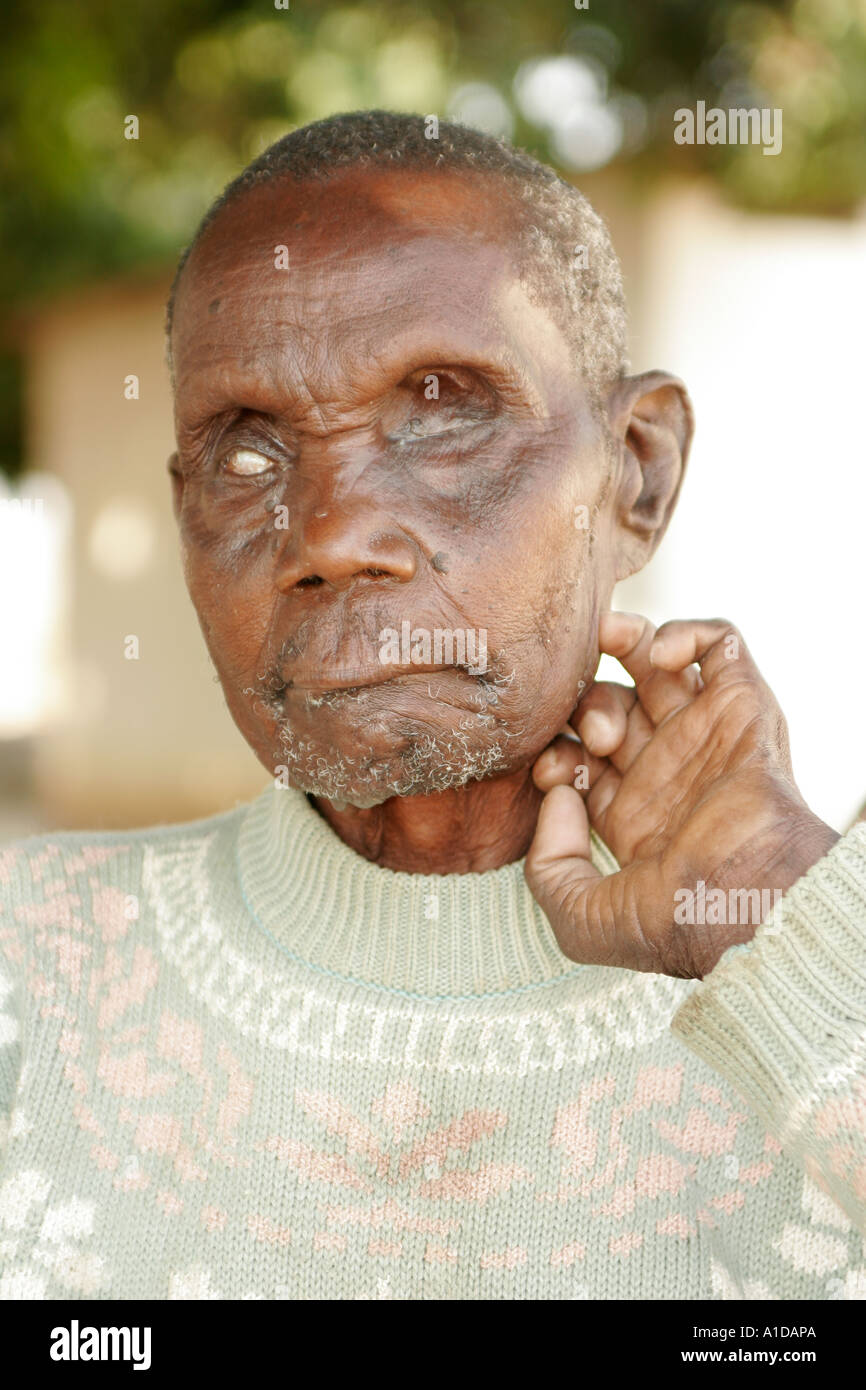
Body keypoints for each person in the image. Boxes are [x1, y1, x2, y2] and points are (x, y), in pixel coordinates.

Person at [1, 111, 864, 1301]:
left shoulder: (818, 964)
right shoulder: (29, 968)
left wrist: (779, 918)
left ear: (637, 473)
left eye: (443, 404)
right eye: (247, 455)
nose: (331, 533)